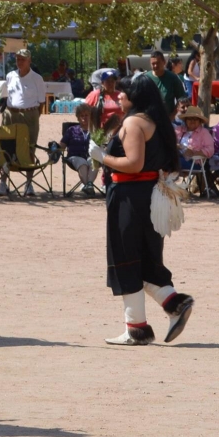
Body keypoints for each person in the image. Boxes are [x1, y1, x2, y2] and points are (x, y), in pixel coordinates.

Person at [88, 74, 194, 346]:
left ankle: (137, 328)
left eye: (123, 92)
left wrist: (102, 157)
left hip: (130, 197)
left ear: (135, 96)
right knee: (145, 257)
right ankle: (173, 304)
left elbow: (134, 163)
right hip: (148, 196)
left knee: (126, 257)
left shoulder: (135, 122)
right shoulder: (157, 122)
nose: (119, 96)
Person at [1, 48, 46, 196]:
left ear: (29, 61)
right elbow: (6, 96)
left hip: (30, 114)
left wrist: (32, 117)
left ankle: (28, 184)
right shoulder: (10, 76)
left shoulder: (37, 78)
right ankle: (3, 183)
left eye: (23, 59)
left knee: (29, 148)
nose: (20, 62)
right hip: (11, 113)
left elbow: (41, 103)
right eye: (18, 59)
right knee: (6, 147)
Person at [59, 103, 99, 196]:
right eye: (82, 116)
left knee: (94, 161)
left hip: (91, 156)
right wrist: (55, 148)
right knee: (82, 162)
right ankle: (88, 186)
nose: (84, 118)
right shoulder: (71, 130)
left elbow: (101, 145)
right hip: (74, 156)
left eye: (86, 115)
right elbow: (62, 145)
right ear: (78, 117)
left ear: (90, 116)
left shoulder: (95, 130)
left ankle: (88, 186)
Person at [147, 50, 186, 117]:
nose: (155, 66)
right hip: (149, 119)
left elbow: (181, 99)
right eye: (153, 64)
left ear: (164, 62)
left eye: (158, 63)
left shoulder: (172, 78)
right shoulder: (146, 78)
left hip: (168, 118)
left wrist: (172, 116)